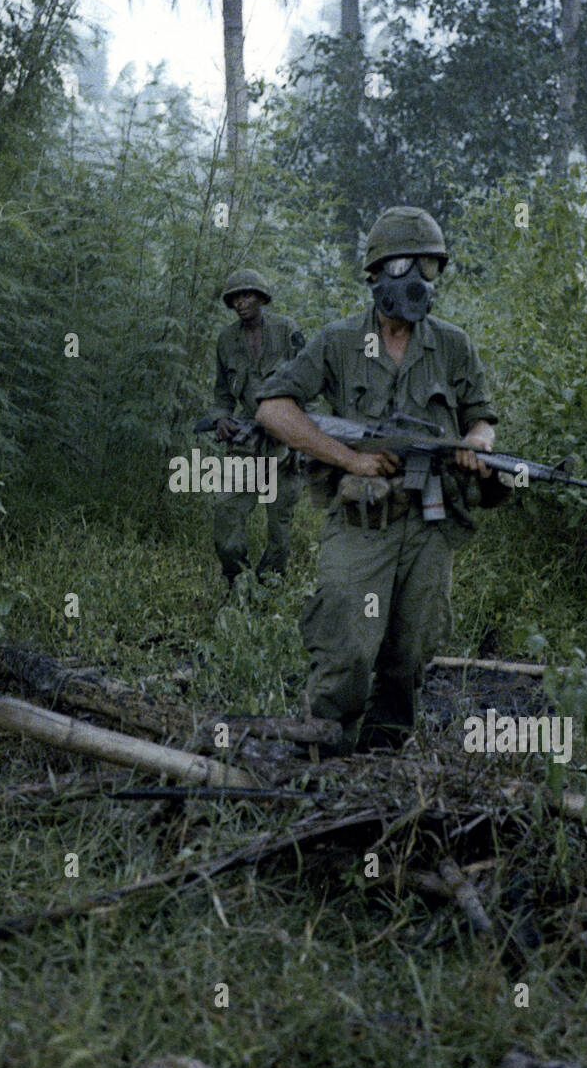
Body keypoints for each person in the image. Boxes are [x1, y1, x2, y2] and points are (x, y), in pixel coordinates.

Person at [254, 207, 501, 756]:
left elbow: (481, 415)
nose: (415, 280)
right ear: (375, 274)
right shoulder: (340, 341)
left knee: (412, 646)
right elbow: (274, 408)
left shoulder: (452, 345)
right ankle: (324, 746)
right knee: (347, 642)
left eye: (428, 268)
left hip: (430, 523)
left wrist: (478, 444)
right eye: (402, 266)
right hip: (361, 521)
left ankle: (387, 753)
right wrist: (349, 458)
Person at [208, 268, 305, 587]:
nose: (241, 302)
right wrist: (221, 418)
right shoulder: (226, 340)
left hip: (285, 437)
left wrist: (304, 441)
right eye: (235, 297)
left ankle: (272, 580)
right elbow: (222, 393)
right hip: (247, 439)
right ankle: (237, 578)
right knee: (226, 507)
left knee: (279, 520)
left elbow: (306, 384)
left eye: (247, 295)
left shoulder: (285, 330)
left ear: (262, 298)